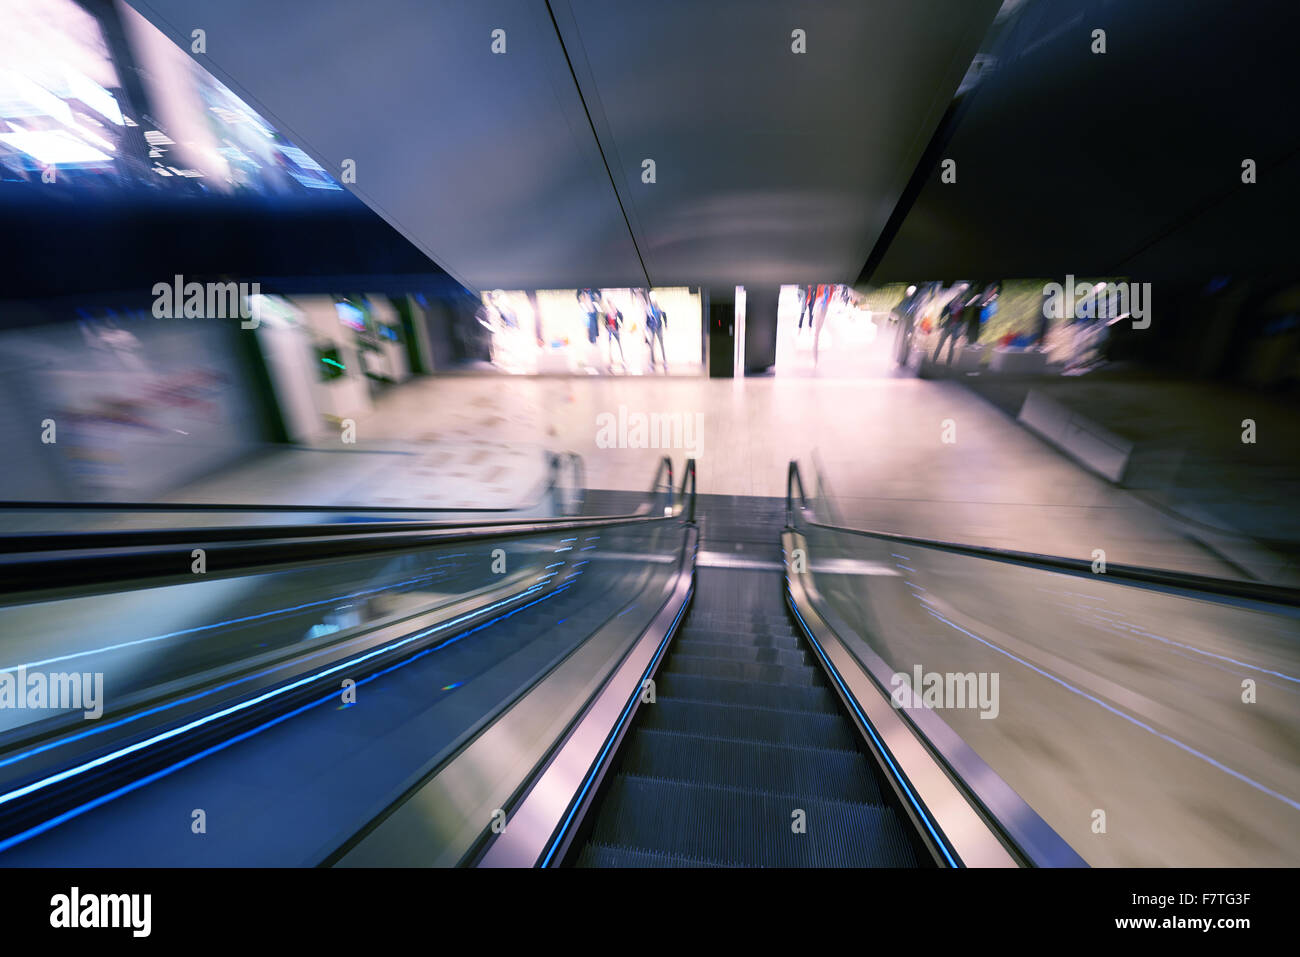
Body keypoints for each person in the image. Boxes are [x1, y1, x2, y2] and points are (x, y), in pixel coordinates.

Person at [642, 289, 668, 371]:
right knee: (652, 345)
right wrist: (646, 329)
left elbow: (664, 315)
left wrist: (666, 324)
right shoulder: (649, 308)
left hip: (659, 328)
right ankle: (652, 362)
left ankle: (664, 361)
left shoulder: (659, 306)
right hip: (652, 329)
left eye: (653, 297)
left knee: (661, 344)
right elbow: (647, 320)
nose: (653, 298)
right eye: (651, 297)